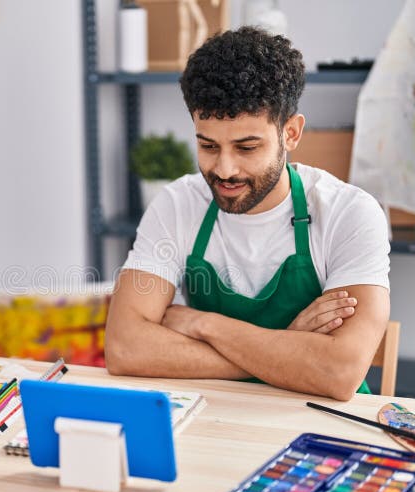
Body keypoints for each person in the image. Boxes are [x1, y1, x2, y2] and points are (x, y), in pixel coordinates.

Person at [104, 27, 390, 401]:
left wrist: (204, 324)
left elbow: (338, 372)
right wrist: (288, 348)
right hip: (219, 416)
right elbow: (125, 348)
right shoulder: (177, 204)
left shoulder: (349, 214)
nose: (224, 169)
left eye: (246, 147)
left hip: (323, 425)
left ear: (291, 133)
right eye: (208, 145)